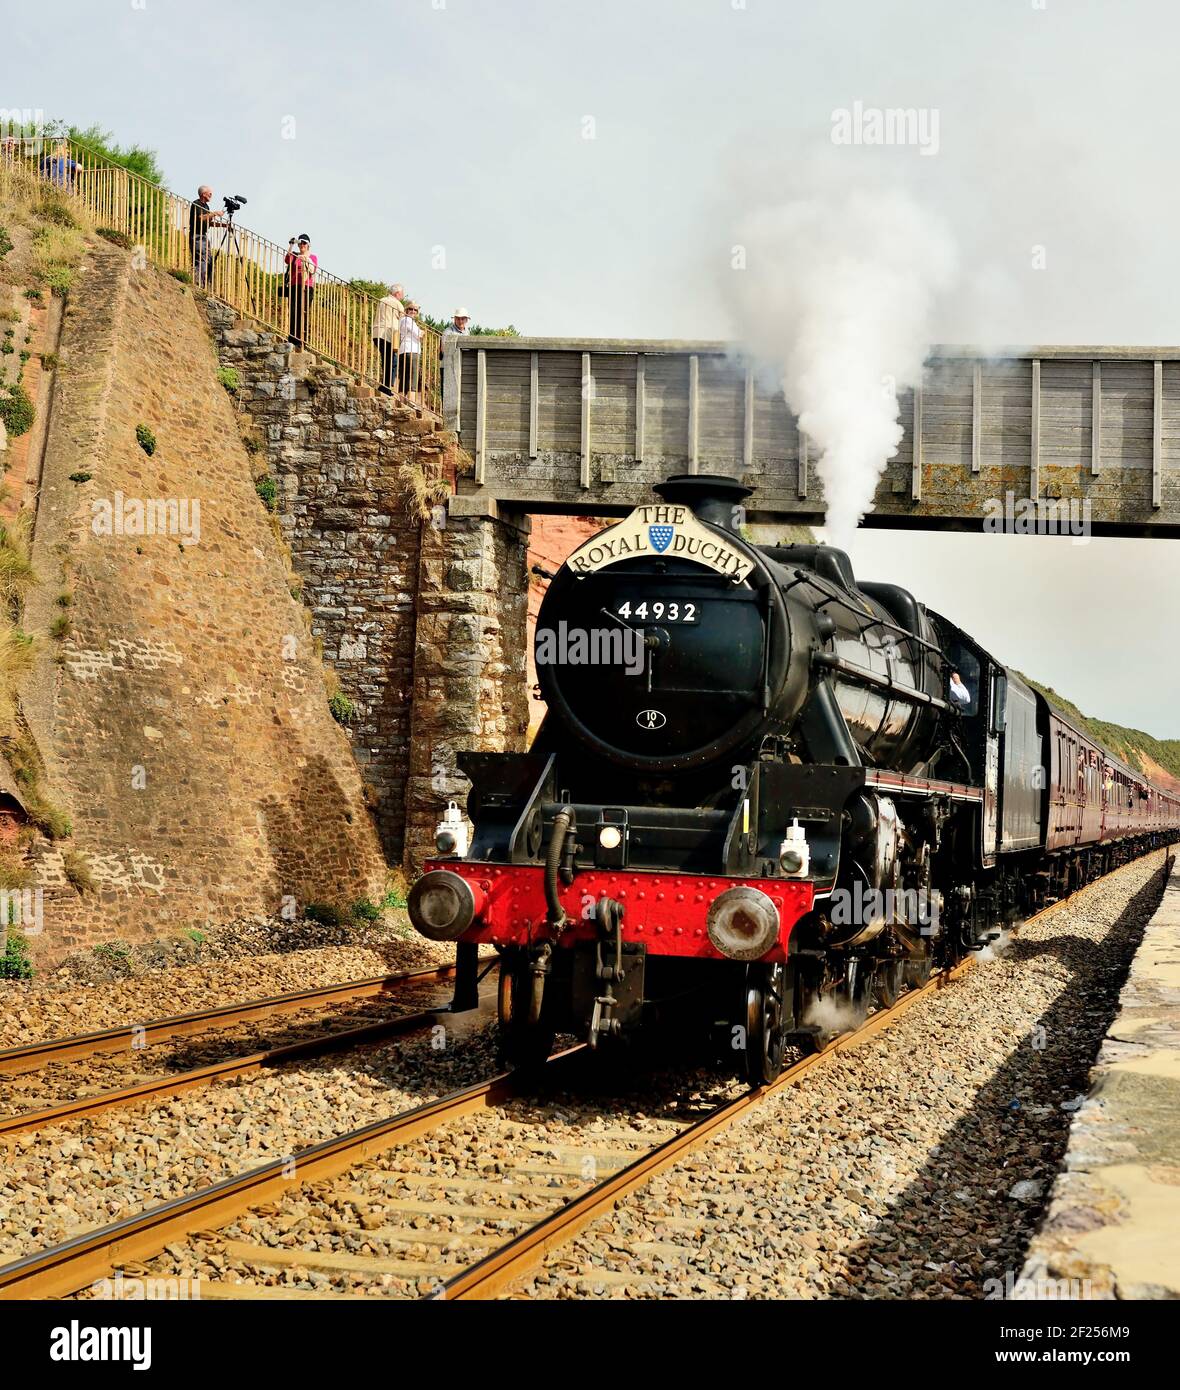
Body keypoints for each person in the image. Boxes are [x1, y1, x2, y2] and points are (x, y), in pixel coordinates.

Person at [284, 234, 318, 349]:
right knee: (293, 311)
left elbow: (313, 271)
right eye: (300, 243)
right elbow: (287, 260)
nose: (301, 246)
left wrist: (306, 259)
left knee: (303, 312)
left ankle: (302, 340)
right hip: (295, 286)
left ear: (308, 245)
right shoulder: (295, 255)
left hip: (307, 287)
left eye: (304, 243)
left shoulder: (312, 257)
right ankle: (292, 337)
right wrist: (291, 245)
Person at [372, 283, 404, 395]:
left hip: (377, 333)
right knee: (392, 361)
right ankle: (386, 387)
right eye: (402, 294)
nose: (402, 297)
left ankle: (384, 386)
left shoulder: (382, 300)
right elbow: (403, 320)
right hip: (388, 335)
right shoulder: (397, 303)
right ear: (397, 293)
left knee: (386, 360)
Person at [189, 186, 222, 288]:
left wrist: (225, 225)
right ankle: (198, 282)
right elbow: (201, 218)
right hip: (197, 235)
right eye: (209, 193)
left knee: (209, 260)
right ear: (203, 194)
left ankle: (205, 283)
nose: (211, 195)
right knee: (201, 258)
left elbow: (208, 221)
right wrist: (214, 213)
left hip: (203, 236)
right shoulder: (197, 204)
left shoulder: (206, 207)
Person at [397, 300, 422, 395]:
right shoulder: (408, 320)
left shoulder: (402, 320)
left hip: (404, 350)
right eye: (411, 309)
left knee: (405, 376)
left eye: (415, 309)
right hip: (412, 350)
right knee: (413, 377)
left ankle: (402, 400)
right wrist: (422, 332)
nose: (413, 311)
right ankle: (411, 401)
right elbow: (419, 334)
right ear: (406, 310)